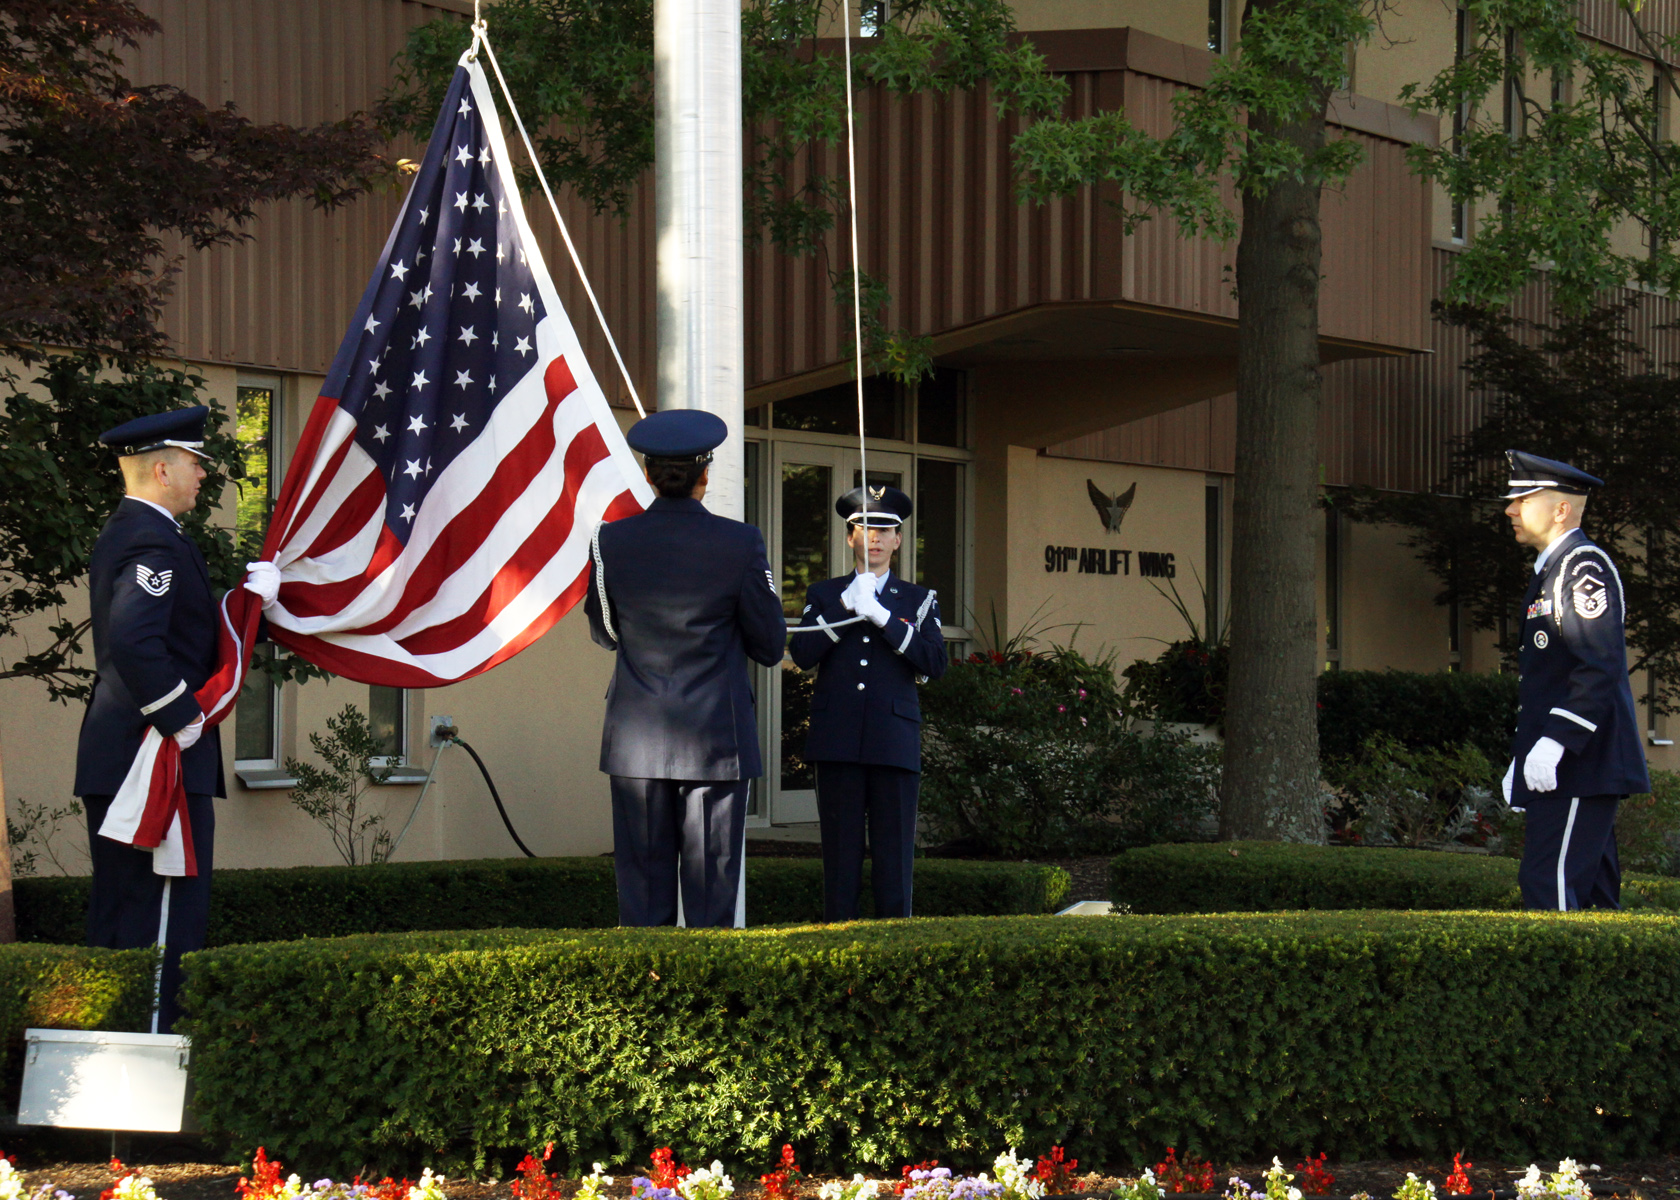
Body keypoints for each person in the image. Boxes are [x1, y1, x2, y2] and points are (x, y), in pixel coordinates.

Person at [585, 409, 787, 927]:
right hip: (716, 741)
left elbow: (606, 633)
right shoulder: (742, 542)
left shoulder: (610, 541)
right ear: (705, 473)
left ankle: (645, 1003)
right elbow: (768, 645)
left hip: (637, 742)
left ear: (648, 475)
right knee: (709, 903)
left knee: (643, 901)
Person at [75, 407, 223, 1032]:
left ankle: (111, 1073)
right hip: (152, 758)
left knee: (126, 917)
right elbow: (136, 641)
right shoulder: (149, 538)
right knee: (160, 923)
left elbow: (180, 633)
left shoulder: (145, 533)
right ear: (162, 469)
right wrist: (182, 717)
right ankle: (147, 1072)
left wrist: (250, 609)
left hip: (135, 754)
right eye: (195, 464)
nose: (201, 477)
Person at [790, 484, 946, 920]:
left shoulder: (918, 599)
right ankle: (839, 949)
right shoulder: (824, 594)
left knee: (894, 860)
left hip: (892, 740)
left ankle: (892, 952)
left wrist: (883, 617)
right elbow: (802, 656)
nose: (873, 537)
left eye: (884, 529)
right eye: (863, 527)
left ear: (899, 540)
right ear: (849, 537)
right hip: (837, 738)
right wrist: (844, 607)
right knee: (839, 860)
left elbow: (935, 661)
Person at [1500, 449, 1648, 910]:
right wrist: (1526, 753)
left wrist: (1555, 743)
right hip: (1577, 764)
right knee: (1596, 900)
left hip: (1579, 763)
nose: (1510, 509)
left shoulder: (1581, 568)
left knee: (1551, 887)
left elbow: (1599, 665)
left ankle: (1551, 983)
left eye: (1523, 498)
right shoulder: (1553, 569)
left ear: (1561, 509)